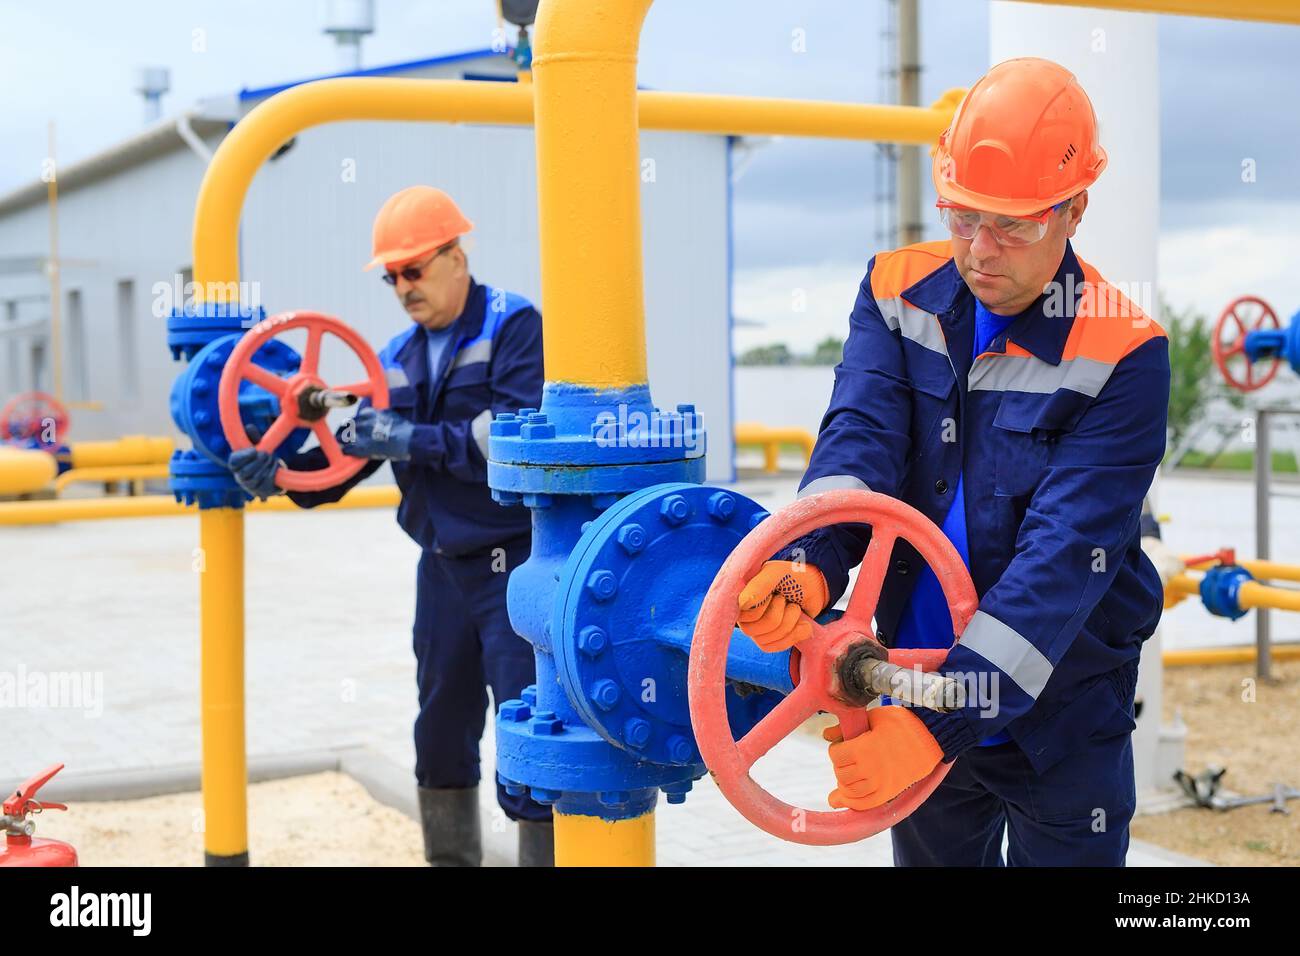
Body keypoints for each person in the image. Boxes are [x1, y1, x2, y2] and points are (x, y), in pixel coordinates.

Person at [736, 58, 1170, 866]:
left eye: (1014, 225)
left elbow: (1065, 559)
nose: (981, 250)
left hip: (1058, 712)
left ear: (1074, 209)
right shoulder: (897, 292)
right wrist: (808, 566)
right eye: (964, 216)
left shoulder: (1123, 351)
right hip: (902, 676)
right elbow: (856, 445)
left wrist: (939, 721)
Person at [229, 186, 552, 866]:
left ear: (456, 257)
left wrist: (412, 439)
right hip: (441, 570)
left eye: (414, 269)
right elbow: (348, 457)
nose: (403, 286)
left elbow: (511, 442)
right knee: (439, 733)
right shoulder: (394, 356)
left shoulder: (513, 325)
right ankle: (451, 859)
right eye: (392, 276)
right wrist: (279, 471)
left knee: (530, 733)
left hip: (514, 567)